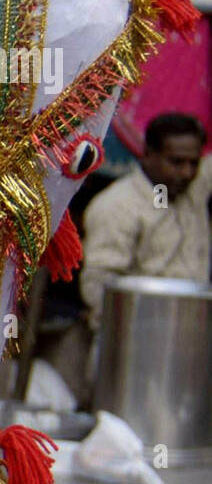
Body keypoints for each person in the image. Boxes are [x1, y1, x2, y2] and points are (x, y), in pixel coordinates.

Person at [81, 112, 212, 328]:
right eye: (177, 162)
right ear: (148, 154)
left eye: (193, 163)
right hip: (135, 342)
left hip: (190, 337)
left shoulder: (192, 190)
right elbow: (98, 287)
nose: (187, 172)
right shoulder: (117, 205)